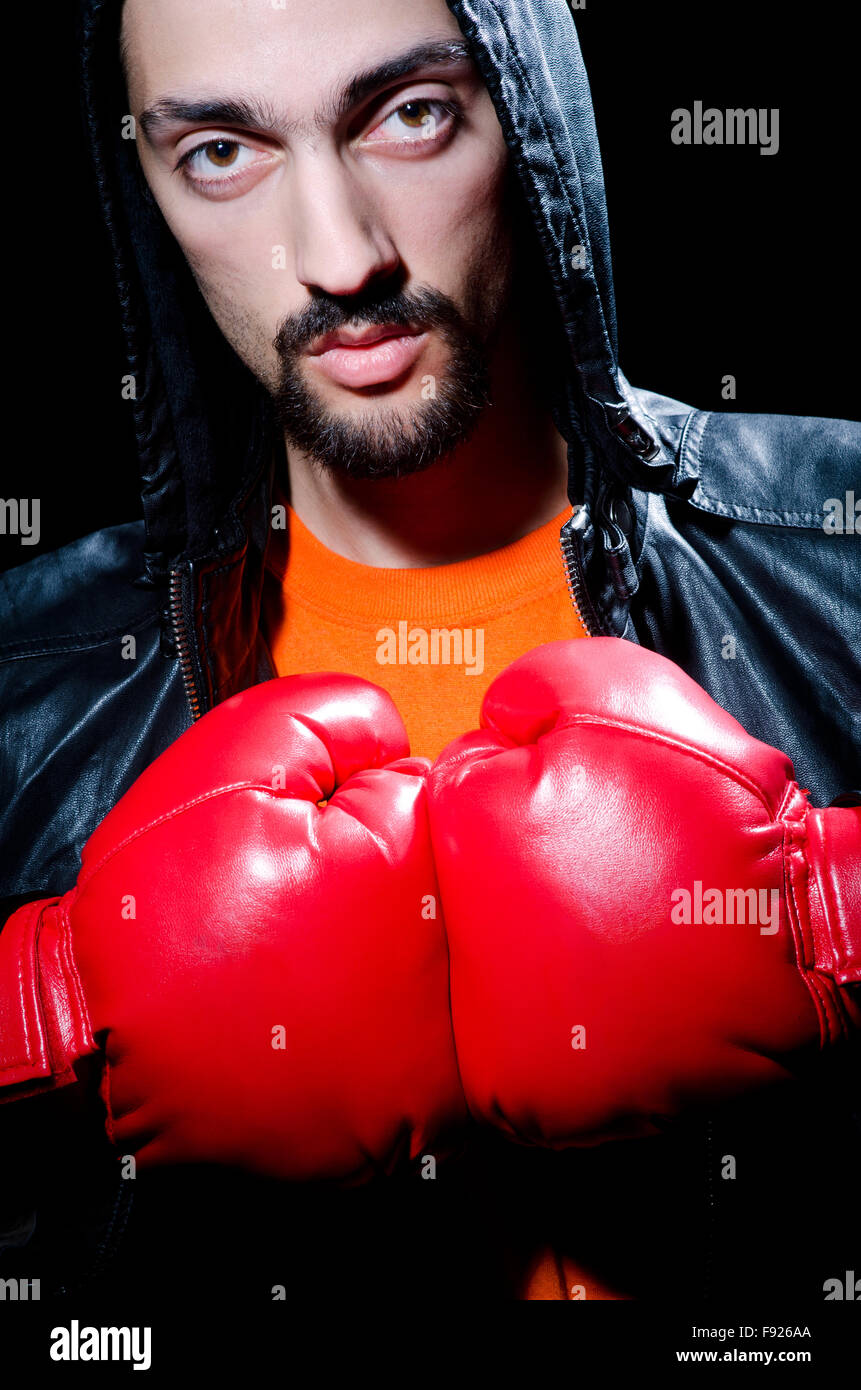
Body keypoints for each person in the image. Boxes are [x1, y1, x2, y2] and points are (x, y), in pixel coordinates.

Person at [0, 0, 858, 1303]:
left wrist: (833, 919)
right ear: (146, 193)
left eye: (408, 116)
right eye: (222, 152)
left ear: (533, 117)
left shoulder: (835, 538)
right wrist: (50, 1005)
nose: (339, 258)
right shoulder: (27, 672)